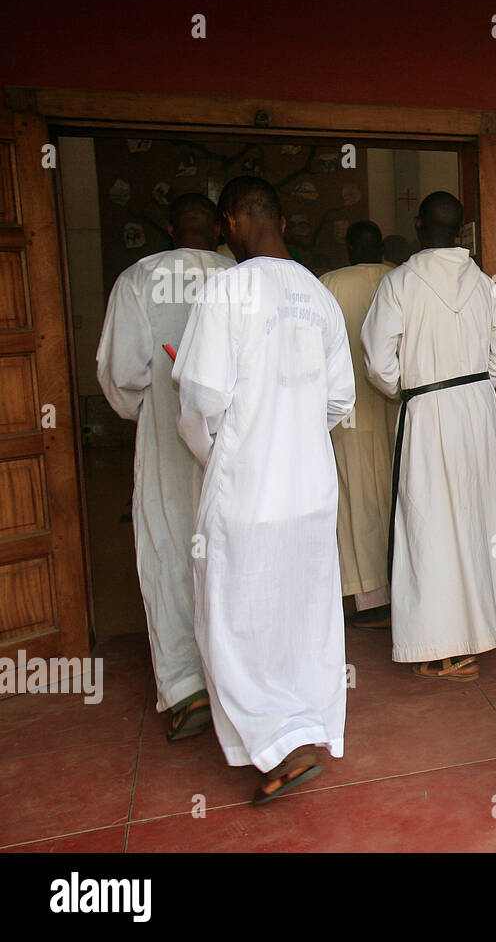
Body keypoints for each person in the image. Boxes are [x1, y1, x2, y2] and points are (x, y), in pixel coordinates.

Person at [173, 176, 354, 804]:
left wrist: (222, 453)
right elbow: (338, 401)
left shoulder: (228, 290)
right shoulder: (318, 294)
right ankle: (303, 725)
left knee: (234, 618)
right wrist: (295, 428)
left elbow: (200, 401)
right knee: (303, 616)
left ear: (234, 221)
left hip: (248, 490)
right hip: (309, 491)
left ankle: (278, 744)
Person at [361, 192, 496, 681]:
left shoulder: (399, 283)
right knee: (475, 516)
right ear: (460, 230)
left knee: (427, 520)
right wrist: (467, 389)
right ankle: (478, 633)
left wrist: (416, 390)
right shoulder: (485, 284)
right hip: (475, 408)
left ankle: (438, 645)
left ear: (417, 223)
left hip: (425, 408)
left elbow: (379, 365)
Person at [96, 193, 234, 740]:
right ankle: (236, 685)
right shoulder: (238, 276)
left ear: (170, 226)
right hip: (231, 437)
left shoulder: (139, 277)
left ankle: (186, 689)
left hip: (164, 438)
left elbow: (119, 372)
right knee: (230, 552)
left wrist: (154, 408)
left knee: (169, 547)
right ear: (222, 227)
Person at [320, 221, 395, 627]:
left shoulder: (328, 282)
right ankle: (402, 588)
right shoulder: (398, 277)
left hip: (347, 414)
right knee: (396, 496)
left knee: (356, 503)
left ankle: (369, 599)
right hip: (396, 408)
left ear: (348, 245)